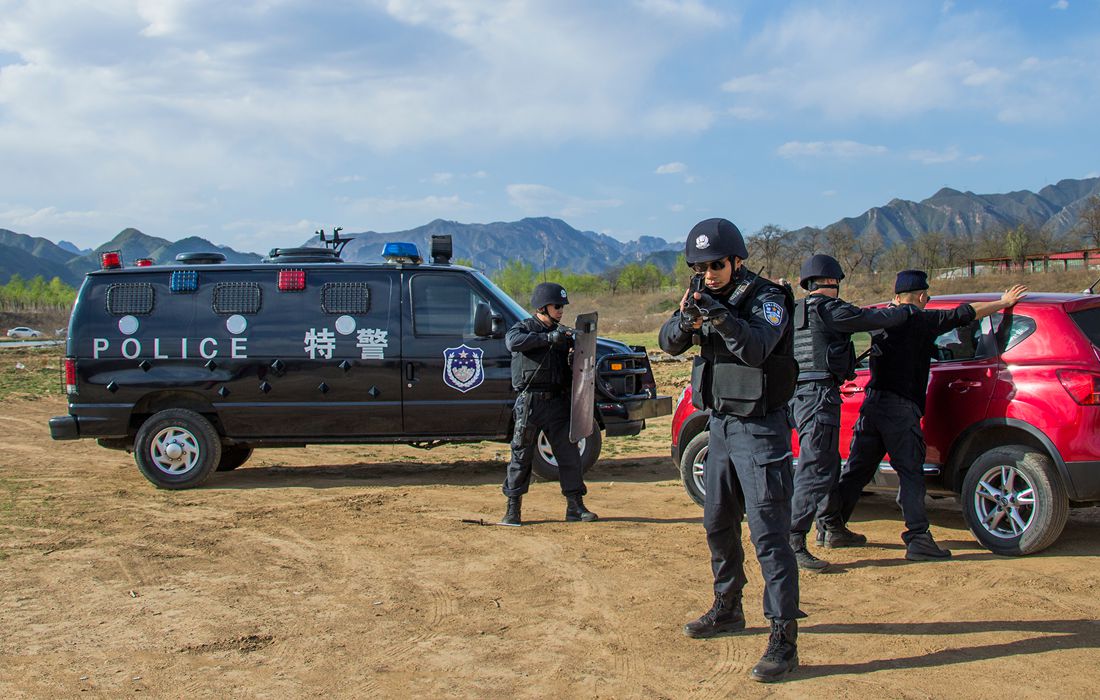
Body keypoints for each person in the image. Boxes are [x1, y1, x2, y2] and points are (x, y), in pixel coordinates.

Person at [659, 218, 802, 683]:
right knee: (717, 522)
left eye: (716, 264)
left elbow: (759, 348)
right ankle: (728, 606)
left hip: (760, 429)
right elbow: (669, 343)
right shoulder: (701, 296)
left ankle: (783, 636)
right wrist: (686, 320)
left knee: (769, 534)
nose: (709, 273)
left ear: (737, 260)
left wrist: (719, 316)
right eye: (700, 267)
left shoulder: (768, 298)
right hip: (719, 425)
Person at [816, 270, 1028, 561]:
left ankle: (831, 527)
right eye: (926, 296)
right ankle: (918, 538)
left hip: (873, 405)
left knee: (857, 471)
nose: (928, 301)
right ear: (919, 296)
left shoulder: (881, 318)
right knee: (911, 473)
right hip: (901, 410)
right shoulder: (921, 319)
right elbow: (965, 314)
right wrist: (1003, 302)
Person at [787, 254, 915, 571]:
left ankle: (831, 527)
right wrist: (903, 311)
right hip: (818, 397)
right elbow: (870, 319)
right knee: (815, 467)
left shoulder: (797, 311)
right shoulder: (830, 309)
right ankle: (792, 540)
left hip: (800, 394)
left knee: (827, 463)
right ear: (833, 281)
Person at [500, 282, 597, 526]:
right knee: (521, 456)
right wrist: (546, 338)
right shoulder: (523, 328)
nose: (561, 310)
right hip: (530, 403)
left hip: (557, 402)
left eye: (562, 306)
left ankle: (575, 506)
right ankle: (513, 509)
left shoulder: (562, 333)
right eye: (557, 306)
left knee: (569, 455)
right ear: (542, 307)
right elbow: (512, 342)